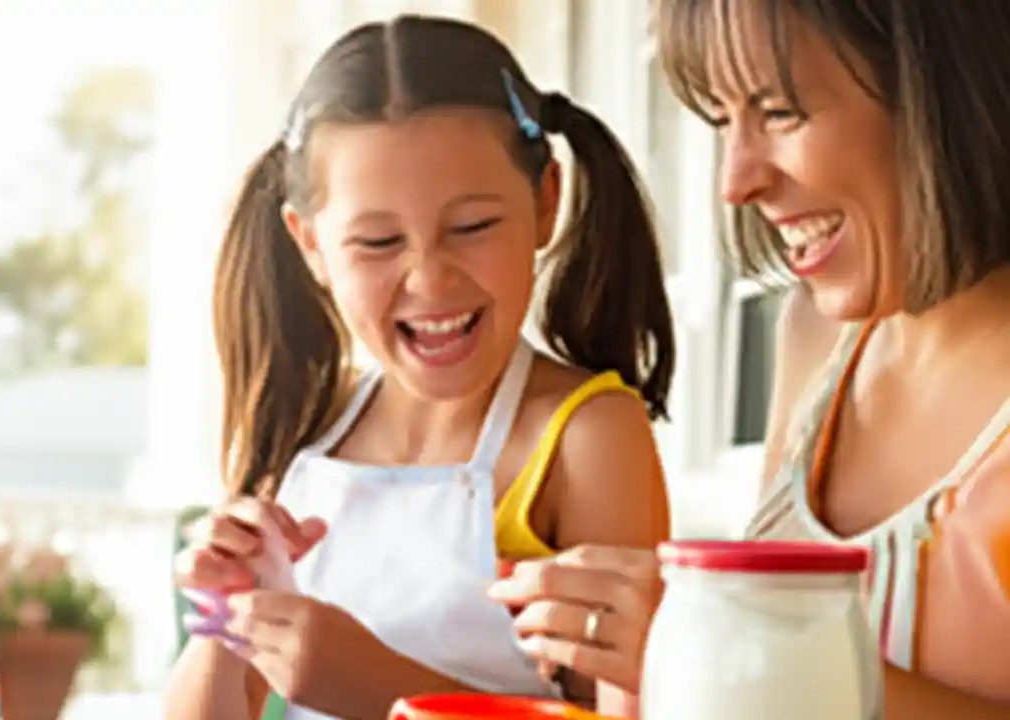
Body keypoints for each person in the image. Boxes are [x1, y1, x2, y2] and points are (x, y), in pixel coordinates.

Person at [500, 1, 1010, 716]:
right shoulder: (818, 338)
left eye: (779, 112)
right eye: (721, 120)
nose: (734, 184)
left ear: (945, 92)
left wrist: (724, 647)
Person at [164, 14, 675, 720]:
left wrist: (379, 687)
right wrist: (223, 622)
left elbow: (632, 711)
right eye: (377, 241)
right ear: (311, 246)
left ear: (545, 202)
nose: (430, 279)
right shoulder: (310, 427)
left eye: (473, 227)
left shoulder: (587, 435)